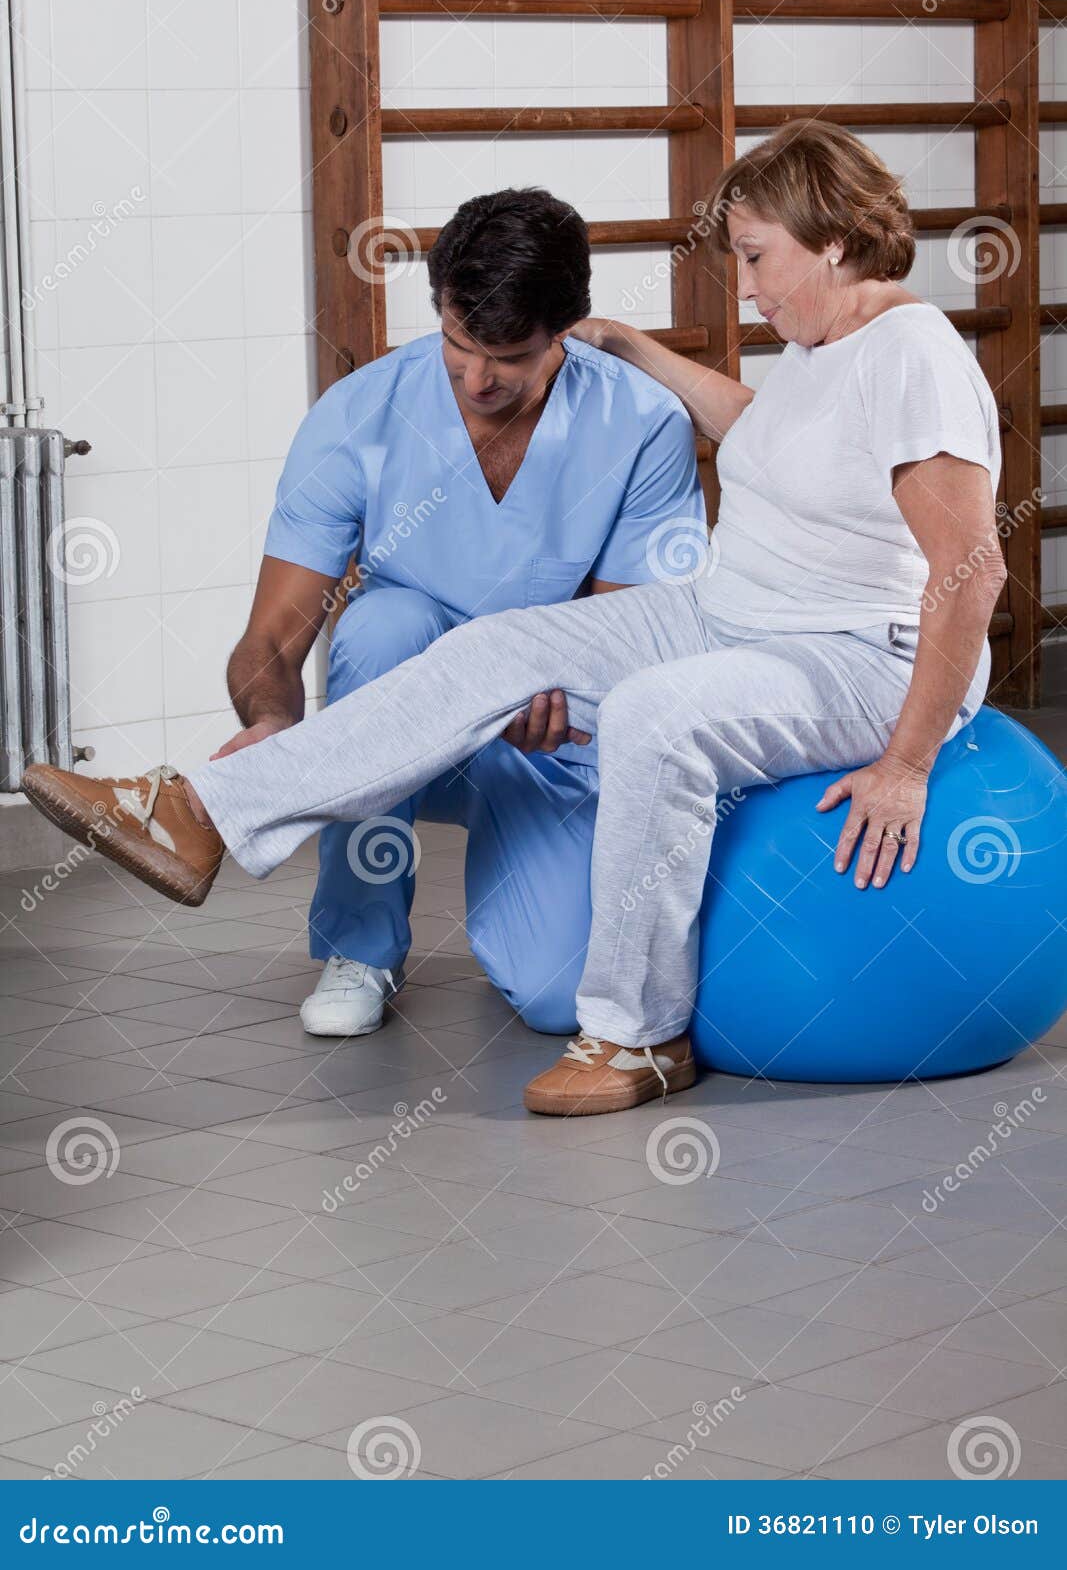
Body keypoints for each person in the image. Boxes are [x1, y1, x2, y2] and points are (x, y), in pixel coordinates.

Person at [23, 120, 1005, 1118]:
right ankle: (195, 811)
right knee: (497, 646)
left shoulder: (908, 355)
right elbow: (773, 437)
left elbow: (970, 569)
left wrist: (907, 762)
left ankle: (637, 1035)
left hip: (855, 657)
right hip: (737, 616)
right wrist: (633, 344)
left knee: (654, 715)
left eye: (754, 256)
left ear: (829, 239)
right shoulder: (823, 345)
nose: (744, 285)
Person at [180, 186, 705, 1038]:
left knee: (557, 999)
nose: (476, 378)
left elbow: (630, 644)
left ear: (565, 329)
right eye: (459, 343)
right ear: (439, 306)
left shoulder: (643, 424)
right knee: (382, 623)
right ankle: (360, 945)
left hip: (545, 732)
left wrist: (555, 689)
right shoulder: (358, 413)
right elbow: (271, 635)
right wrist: (275, 723)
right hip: (389, 730)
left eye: (510, 357)